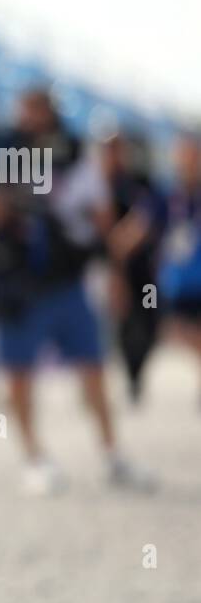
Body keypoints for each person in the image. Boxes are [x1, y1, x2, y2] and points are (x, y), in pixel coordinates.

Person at [0, 89, 152, 496]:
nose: (30, 119)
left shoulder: (74, 157)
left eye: (38, 110)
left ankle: (111, 455)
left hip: (66, 282)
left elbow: (102, 220)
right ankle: (35, 459)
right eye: (25, 110)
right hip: (16, 284)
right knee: (18, 375)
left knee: (93, 368)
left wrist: (115, 274)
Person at [110, 127, 201, 402]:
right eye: (184, 156)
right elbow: (127, 236)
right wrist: (117, 270)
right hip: (178, 284)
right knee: (173, 327)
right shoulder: (165, 198)